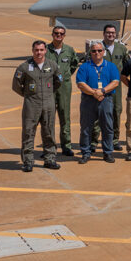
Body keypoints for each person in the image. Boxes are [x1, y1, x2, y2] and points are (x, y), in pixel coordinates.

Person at [12, 40, 62, 171]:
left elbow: (58, 81)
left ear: (45, 51)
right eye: (36, 50)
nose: (39, 52)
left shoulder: (52, 65)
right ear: (32, 51)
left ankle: (50, 159)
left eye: (41, 50)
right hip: (31, 105)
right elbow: (16, 85)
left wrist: (47, 94)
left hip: (48, 104)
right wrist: (28, 95)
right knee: (28, 132)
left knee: (49, 132)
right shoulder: (24, 67)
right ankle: (28, 161)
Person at [76, 41, 121, 163]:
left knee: (107, 126)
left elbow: (115, 82)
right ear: (90, 52)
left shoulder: (111, 66)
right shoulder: (84, 66)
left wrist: (102, 91)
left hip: (106, 99)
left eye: (99, 50)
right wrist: (94, 93)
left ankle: (108, 152)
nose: (97, 53)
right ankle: (85, 152)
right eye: (94, 51)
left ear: (103, 52)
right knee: (86, 127)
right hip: (88, 100)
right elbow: (80, 83)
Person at [44, 25, 78, 156]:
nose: (58, 35)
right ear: (52, 34)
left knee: (65, 116)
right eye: (56, 33)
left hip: (64, 87)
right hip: (49, 87)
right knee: (48, 118)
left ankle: (66, 146)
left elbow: (74, 64)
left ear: (64, 36)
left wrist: (66, 75)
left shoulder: (69, 50)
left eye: (61, 34)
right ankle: (49, 147)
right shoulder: (46, 49)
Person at [95, 24, 128, 151]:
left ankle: (114, 140)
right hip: (100, 86)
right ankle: (94, 140)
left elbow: (127, 65)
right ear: (103, 34)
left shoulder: (121, 48)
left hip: (116, 87)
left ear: (116, 34)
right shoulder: (97, 47)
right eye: (108, 32)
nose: (111, 35)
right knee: (98, 113)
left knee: (116, 112)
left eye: (113, 33)